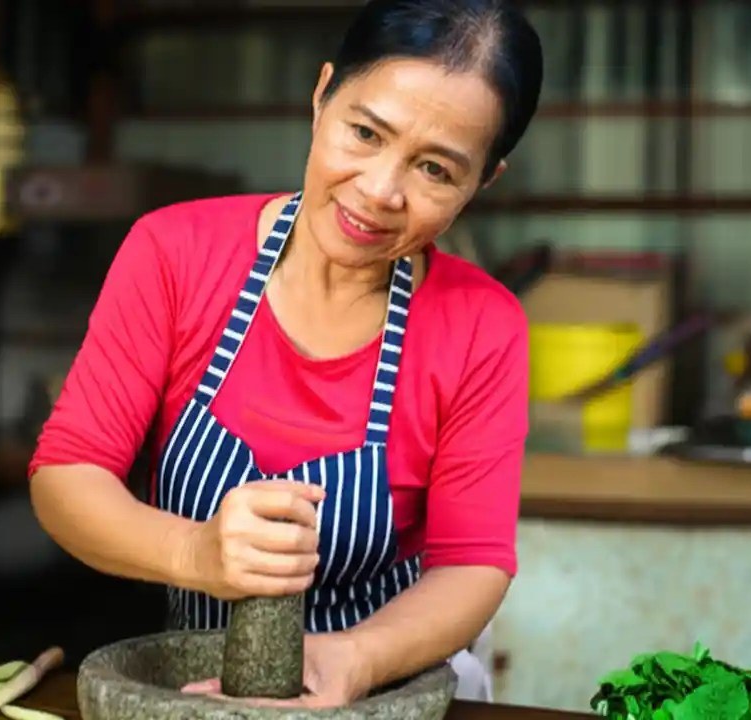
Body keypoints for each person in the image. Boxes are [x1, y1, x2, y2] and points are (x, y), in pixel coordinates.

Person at [27, 0, 543, 708]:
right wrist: (194, 554)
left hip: (387, 694)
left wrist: (355, 659)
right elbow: (67, 476)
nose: (379, 191)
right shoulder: (175, 254)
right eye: (364, 132)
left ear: (484, 180)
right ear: (322, 95)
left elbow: (471, 563)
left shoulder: (483, 326)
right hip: (205, 692)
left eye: (435, 170)